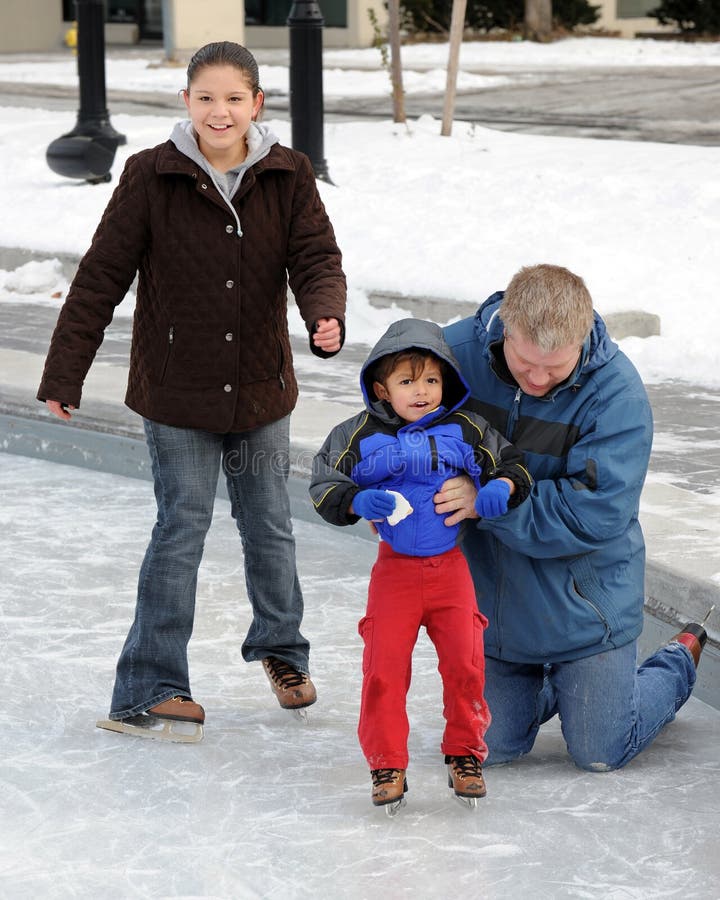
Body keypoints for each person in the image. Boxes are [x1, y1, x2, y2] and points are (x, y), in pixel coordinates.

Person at [37, 41, 346, 740]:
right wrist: (65, 372)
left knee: (269, 526)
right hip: (177, 396)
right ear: (186, 101)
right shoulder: (152, 175)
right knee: (181, 528)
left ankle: (281, 650)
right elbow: (100, 277)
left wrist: (323, 310)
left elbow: (315, 256)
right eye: (205, 96)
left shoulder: (288, 173)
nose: (220, 111)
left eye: (234, 98)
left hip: (261, 393)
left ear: (256, 104)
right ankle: (149, 684)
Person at [437, 263, 709, 771]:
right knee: (492, 747)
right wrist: (389, 498)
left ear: (582, 341)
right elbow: (400, 424)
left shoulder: (618, 395)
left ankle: (675, 659)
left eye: (555, 368)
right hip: (491, 603)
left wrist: (485, 501)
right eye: (525, 364)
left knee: (599, 751)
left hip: (584, 605)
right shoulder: (453, 356)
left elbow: (594, 514)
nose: (538, 380)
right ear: (505, 327)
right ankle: (550, 691)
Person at [309, 318, 532, 809]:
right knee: (384, 668)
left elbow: (512, 463)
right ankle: (387, 763)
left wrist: (499, 488)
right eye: (407, 381)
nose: (422, 391)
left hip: (451, 571)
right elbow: (323, 482)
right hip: (395, 574)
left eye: (431, 379)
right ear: (381, 388)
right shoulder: (358, 434)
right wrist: (355, 502)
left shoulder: (465, 428)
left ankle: (465, 752)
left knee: (467, 665)